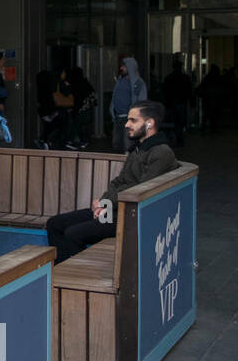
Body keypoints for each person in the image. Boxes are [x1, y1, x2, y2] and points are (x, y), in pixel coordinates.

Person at [45, 102, 178, 263]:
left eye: (133, 120)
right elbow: (119, 181)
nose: (127, 124)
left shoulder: (161, 152)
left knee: (73, 233)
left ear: (150, 123)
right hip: (114, 209)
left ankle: (83, 277)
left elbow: (141, 190)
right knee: (54, 224)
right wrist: (104, 204)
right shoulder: (139, 148)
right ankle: (62, 272)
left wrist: (105, 204)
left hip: (130, 216)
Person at [110, 57, 147, 152]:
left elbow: (142, 102)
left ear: (130, 67)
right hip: (118, 118)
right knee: (116, 144)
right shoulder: (120, 80)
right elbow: (115, 96)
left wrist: (134, 117)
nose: (121, 68)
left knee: (128, 145)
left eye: (124, 66)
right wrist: (112, 110)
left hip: (129, 119)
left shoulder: (138, 83)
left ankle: (131, 165)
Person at [163, 59, 193, 148]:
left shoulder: (169, 78)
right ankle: (179, 139)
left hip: (172, 103)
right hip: (180, 102)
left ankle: (173, 138)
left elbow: (165, 90)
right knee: (180, 121)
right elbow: (189, 90)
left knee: (172, 121)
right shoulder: (184, 78)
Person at [196, 64, 225, 134]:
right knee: (214, 116)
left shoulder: (207, 78)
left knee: (206, 115)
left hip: (207, 100)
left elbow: (202, 87)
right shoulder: (219, 78)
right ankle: (213, 128)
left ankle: (204, 127)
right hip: (215, 100)